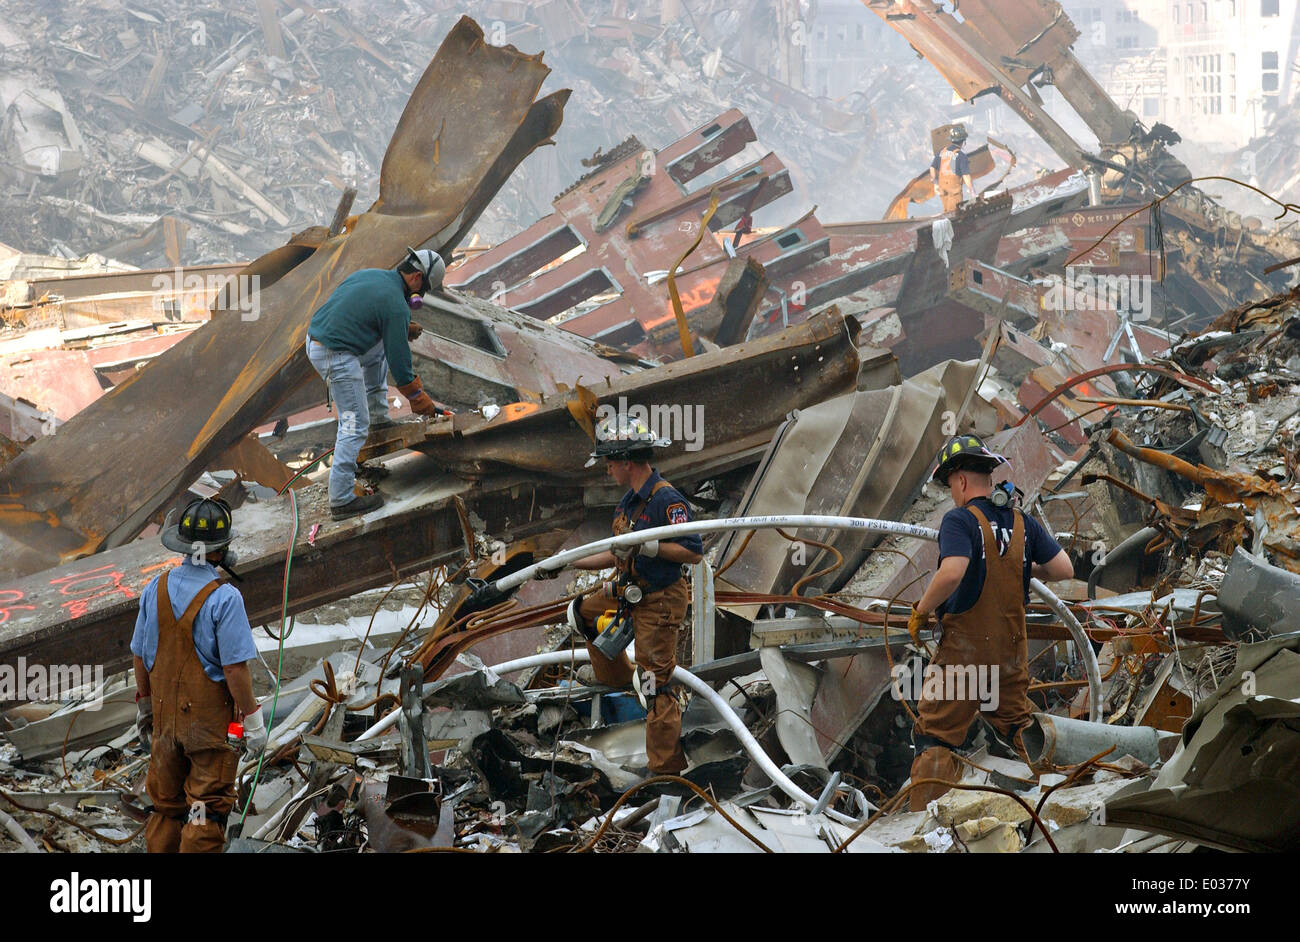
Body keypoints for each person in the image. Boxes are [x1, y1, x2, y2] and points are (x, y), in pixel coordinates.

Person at [904, 435, 1074, 810]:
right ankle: (1068, 792)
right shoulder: (1021, 521)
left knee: (935, 736)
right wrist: (1017, 565)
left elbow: (952, 572)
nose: (952, 492)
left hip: (965, 659)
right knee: (1018, 727)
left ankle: (921, 831)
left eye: (950, 484)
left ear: (961, 480)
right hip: (1010, 658)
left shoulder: (959, 519)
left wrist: (921, 611)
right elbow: (1064, 569)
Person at [561, 417, 703, 774]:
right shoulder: (629, 502)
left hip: (660, 598)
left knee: (655, 685)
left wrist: (651, 546)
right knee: (582, 613)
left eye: (609, 462)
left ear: (626, 461)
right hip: (630, 591)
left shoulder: (666, 500)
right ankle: (616, 677)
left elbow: (693, 551)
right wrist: (567, 563)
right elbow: (614, 553)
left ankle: (667, 772)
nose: (606, 469)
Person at [131, 498, 268, 853]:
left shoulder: (154, 589)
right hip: (211, 728)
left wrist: (145, 707)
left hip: (164, 724)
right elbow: (235, 668)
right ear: (221, 550)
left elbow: (139, 655)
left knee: (166, 808)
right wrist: (253, 724)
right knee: (204, 813)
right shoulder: (226, 598)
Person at [306, 246, 447, 520]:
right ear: (417, 277)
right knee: (354, 424)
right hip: (334, 353)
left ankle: (380, 419)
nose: (420, 296)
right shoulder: (396, 304)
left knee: (378, 347)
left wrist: (400, 326)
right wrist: (420, 400)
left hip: (318, 339)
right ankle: (342, 499)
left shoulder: (374, 276)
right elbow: (401, 366)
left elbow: (362, 311)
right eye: (424, 289)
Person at [929, 125, 975, 213]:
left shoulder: (941, 152)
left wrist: (935, 183)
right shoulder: (961, 156)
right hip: (954, 190)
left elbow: (932, 168)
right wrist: (972, 190)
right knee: (954, 213)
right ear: (963, 141)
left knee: (946, 211)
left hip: (942, 187)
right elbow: (966, 176)